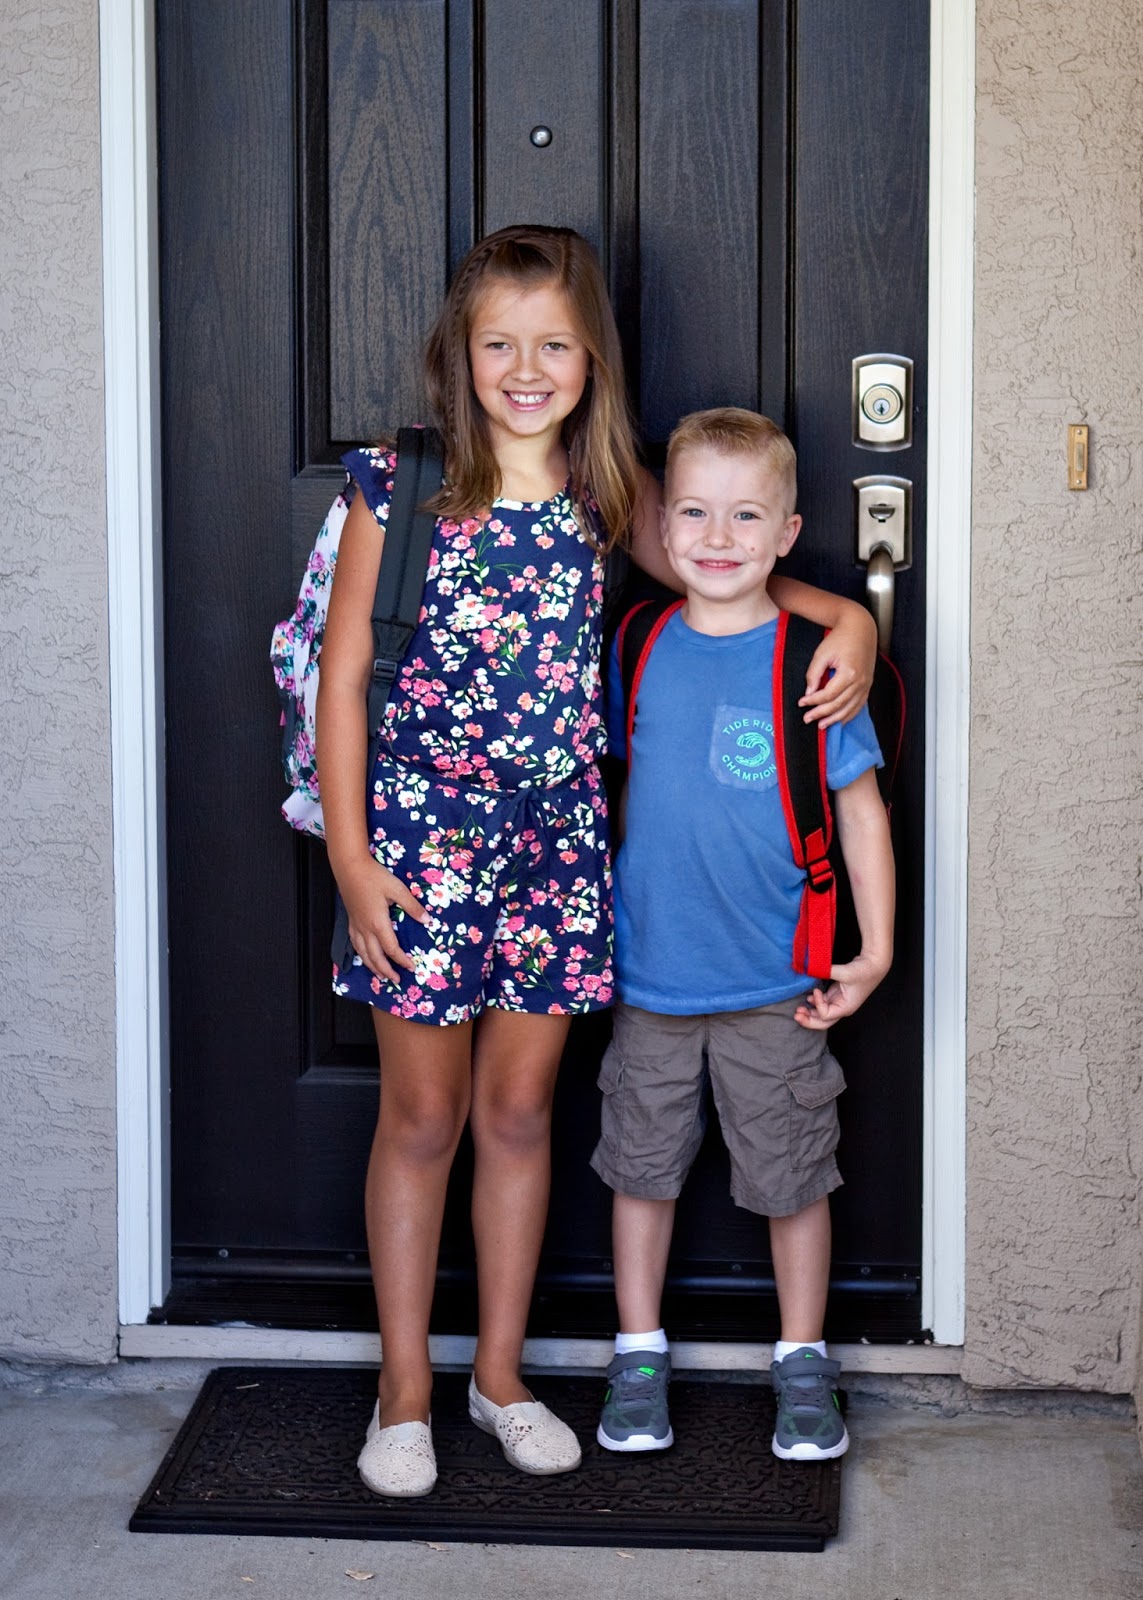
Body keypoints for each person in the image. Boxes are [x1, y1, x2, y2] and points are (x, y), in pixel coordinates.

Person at [315, 229, 877, 1498]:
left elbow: (724, 576)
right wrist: (352, 859)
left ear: (590, 359)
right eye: (500, 342)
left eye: (554, 344)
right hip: (419, 854)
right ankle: (405, 1389)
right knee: (424, 1120)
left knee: (520, 1118)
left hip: (558, 851)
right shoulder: (395, 488)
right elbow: (343, 678)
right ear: (462, 352)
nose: (527, 368)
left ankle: (498, 1376)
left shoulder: (604, 491)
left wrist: (848, 612)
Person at [592, 407, 894, 1464]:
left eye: (745, 515)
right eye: (694, 513)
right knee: (641, 1167)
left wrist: (876, 948)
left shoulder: (814, 661)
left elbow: (860, 808)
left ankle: (802, 1360)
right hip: (651, 977)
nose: (717, 537)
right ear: (662, 529)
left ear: (786, 532)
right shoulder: (636, 643)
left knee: (793, 1174)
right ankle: (638, 1353)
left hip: (779, 976)